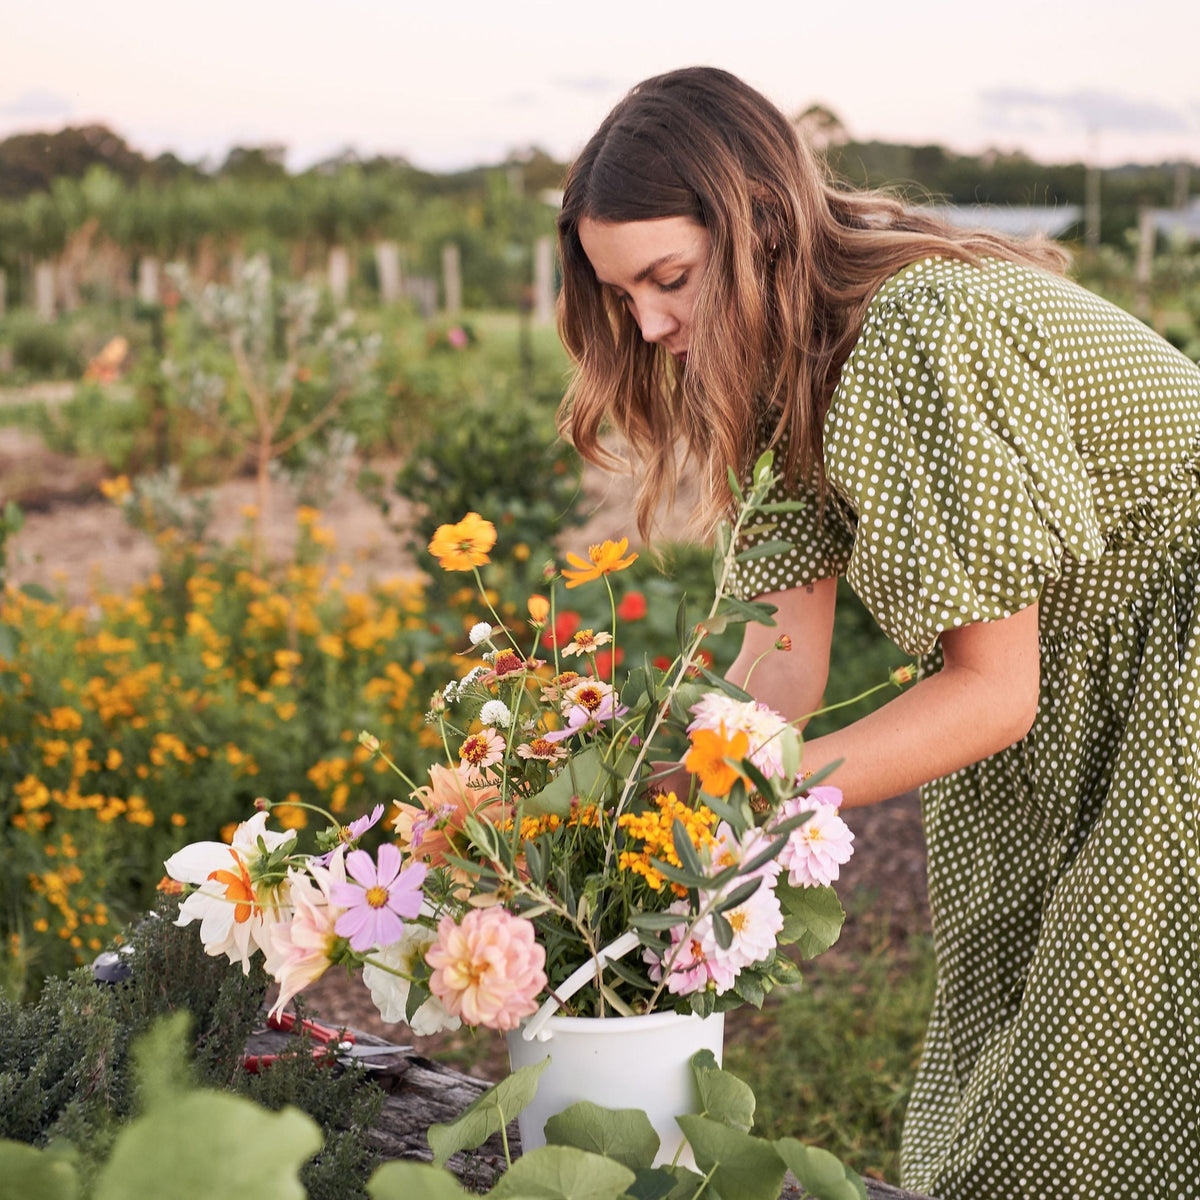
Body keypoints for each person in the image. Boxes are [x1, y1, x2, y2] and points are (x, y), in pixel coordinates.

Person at [554, 66, 1200, 1200]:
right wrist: (654, 807)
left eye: (670, 280)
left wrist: (757, 807)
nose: (650, 325)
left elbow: (996, 693)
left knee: (1086, 1091)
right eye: (625, 298)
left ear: (758, 223)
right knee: (1037, 1064)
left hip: (1174, 657)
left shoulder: (918, 331)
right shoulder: (786, 365)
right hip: (1103, 671)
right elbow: (780, 666)